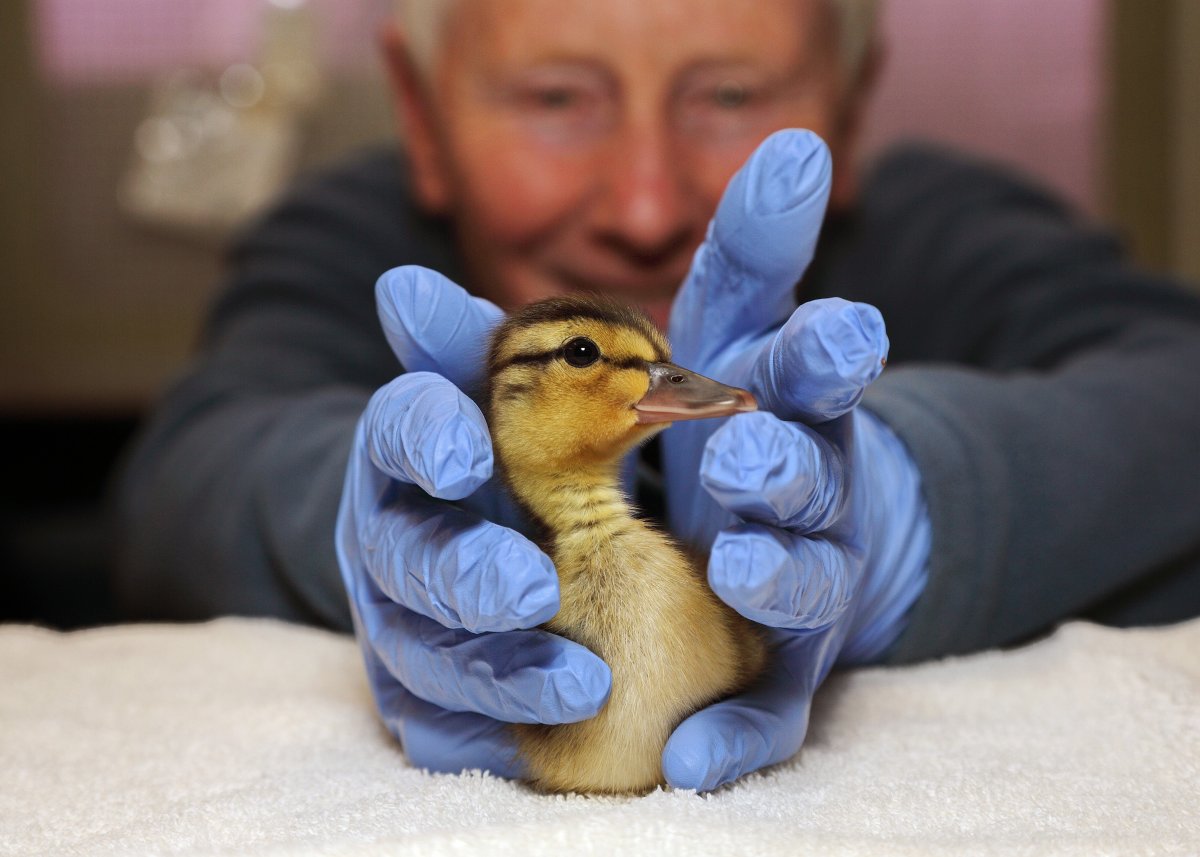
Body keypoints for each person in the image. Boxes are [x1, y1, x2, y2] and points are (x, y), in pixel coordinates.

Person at [114, 0, 1200, 792]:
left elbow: (1175, 383)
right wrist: (410, 518)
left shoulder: (947, 231)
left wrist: (925, 491)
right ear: (421, 112)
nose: (644, 206)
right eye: (556, 98)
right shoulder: (347, 237)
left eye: (731, 94)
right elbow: (189, 467)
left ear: (852, 103)